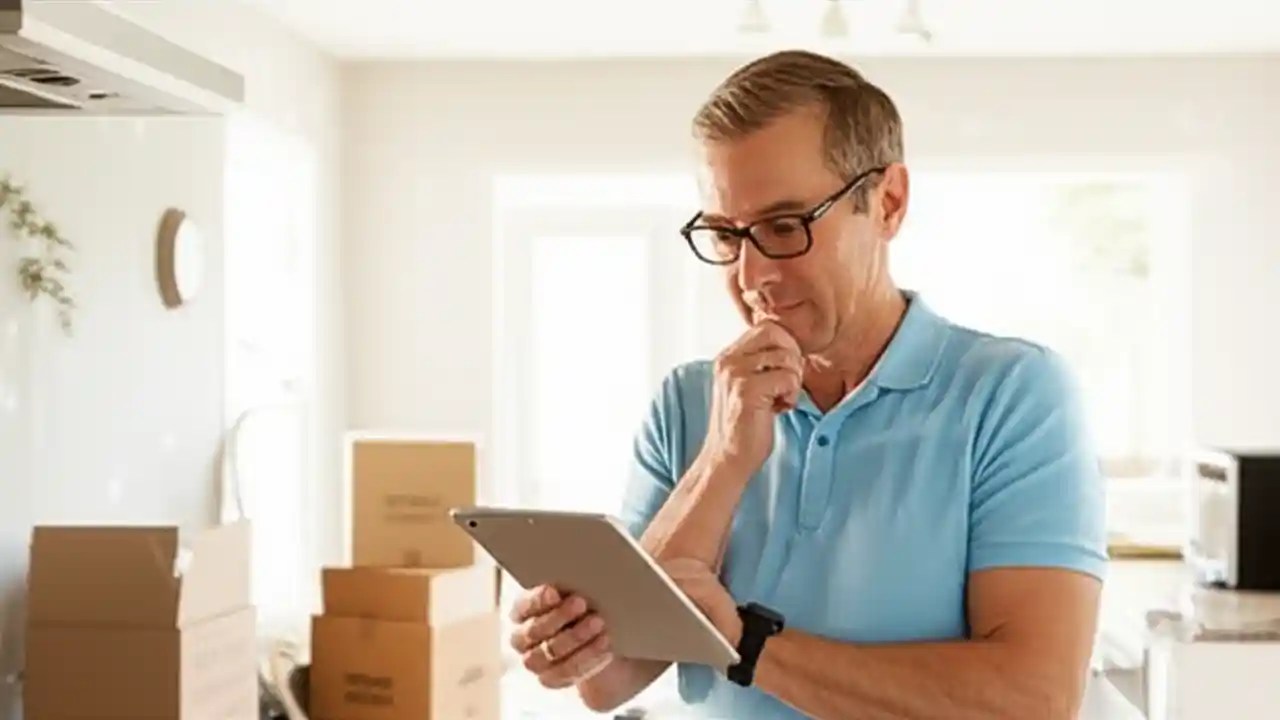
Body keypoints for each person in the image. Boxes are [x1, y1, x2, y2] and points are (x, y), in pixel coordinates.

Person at [507, 49, 1107, 720]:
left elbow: (1032, 699)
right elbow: (608, 680)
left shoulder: (1013, 395)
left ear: (888, 203)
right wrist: (723, 460)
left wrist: (749, 645)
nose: (751, 276)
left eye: (785, 227)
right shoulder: (687, 403)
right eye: (727, 235)